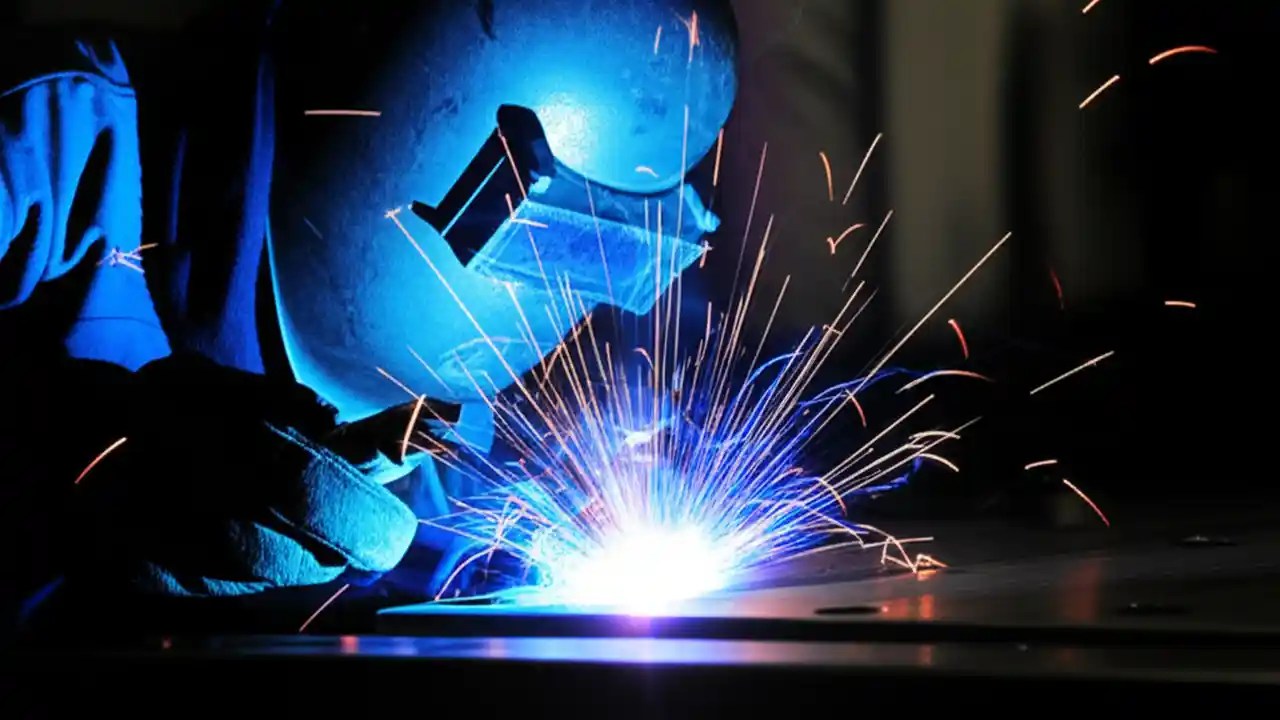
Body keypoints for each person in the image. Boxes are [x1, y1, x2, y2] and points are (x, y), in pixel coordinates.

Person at [0, 0, 737, 636]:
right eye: (556, 241)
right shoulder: (48, 150)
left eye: (604, 255)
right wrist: (65, 463)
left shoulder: (452, 430)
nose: (564, 289)